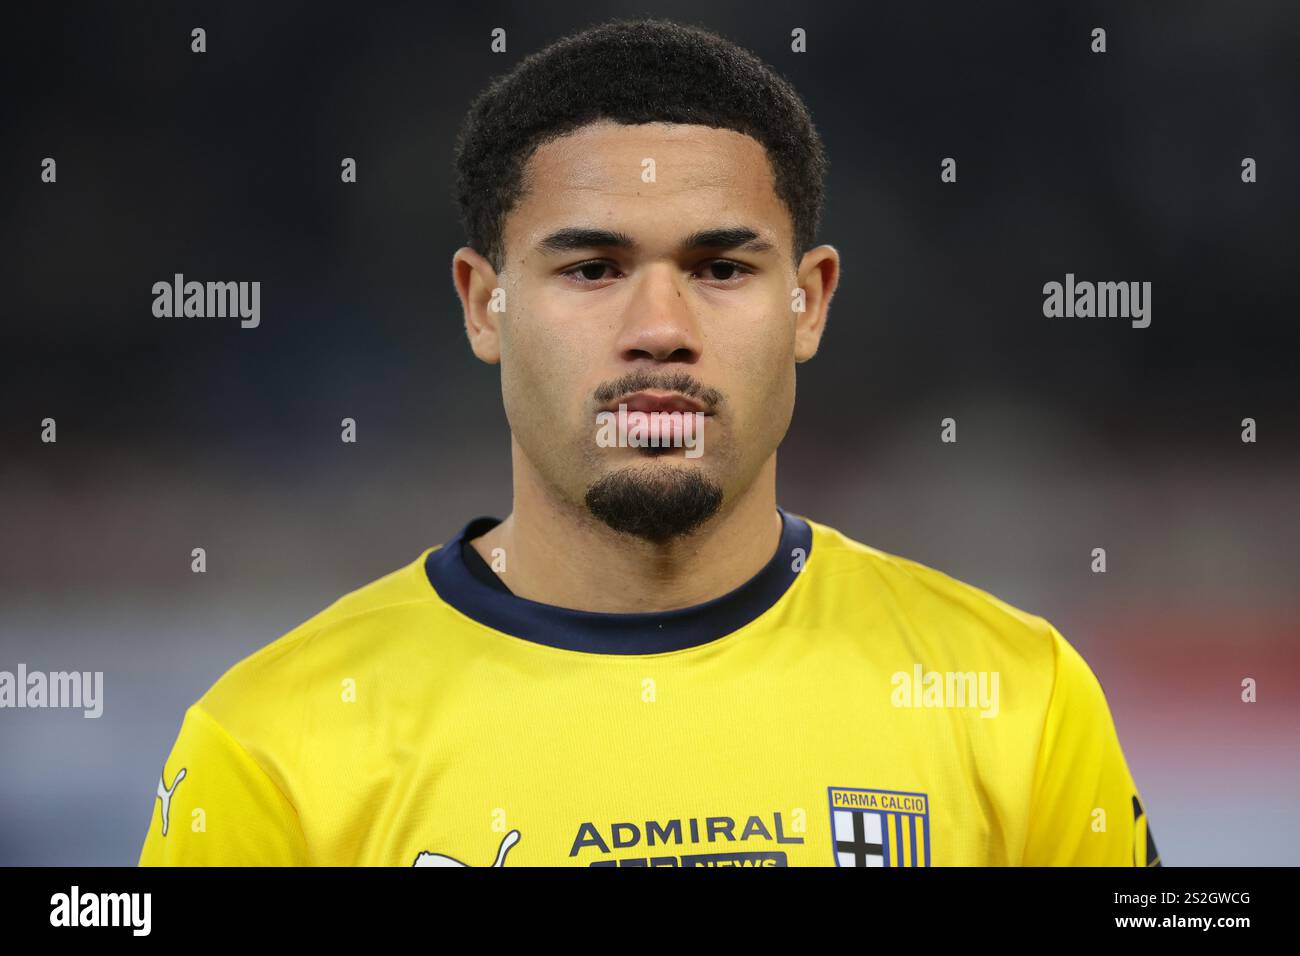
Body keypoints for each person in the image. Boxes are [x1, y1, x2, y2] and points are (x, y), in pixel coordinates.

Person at [140, 18, 1158, 867]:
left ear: (807, 305)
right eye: (590, 269)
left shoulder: (1016, 694)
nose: (659, 326)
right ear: (483, 304)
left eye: (720, 268)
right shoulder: (273, 740)